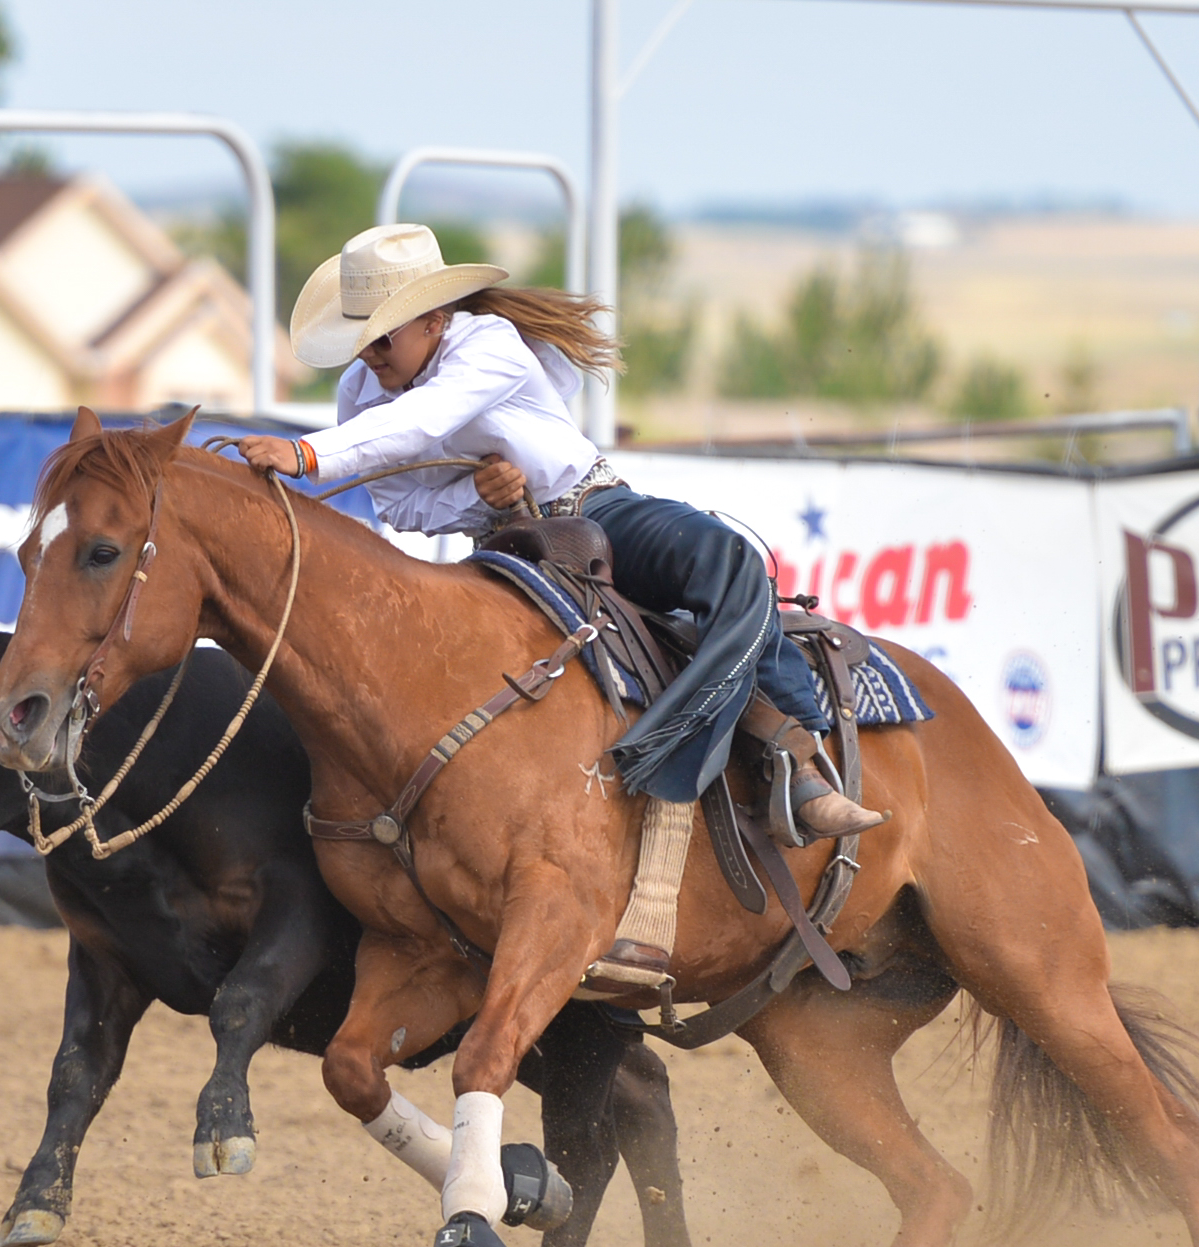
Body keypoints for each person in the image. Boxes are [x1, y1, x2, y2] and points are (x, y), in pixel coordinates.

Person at [236, 223, 885, 852]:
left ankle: (799, 750)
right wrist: (475, 496)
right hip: (503, 548)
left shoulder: (486, 343)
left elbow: (424, 419)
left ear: (434, 321)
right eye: (362, 343)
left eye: (382, 342)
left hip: (592, 512)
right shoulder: (362, 390)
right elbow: (400, 505)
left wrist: (308, 455)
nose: (370, 359)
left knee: (730, 561)